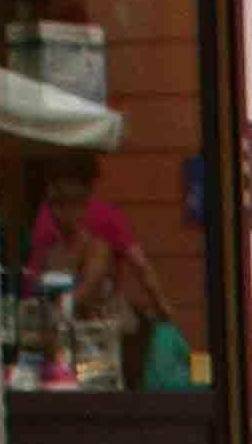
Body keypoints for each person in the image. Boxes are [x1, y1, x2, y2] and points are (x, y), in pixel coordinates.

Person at [26, 158, 174, 386]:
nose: (58, 212)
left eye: (67, 203)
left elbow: (85, 290)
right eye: (54, 203)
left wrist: (162, 306)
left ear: (82, 206)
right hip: (70, 341)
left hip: (102, 340)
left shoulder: (96, 248)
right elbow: (37, 285)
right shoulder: (53, 251)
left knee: (93, 385)